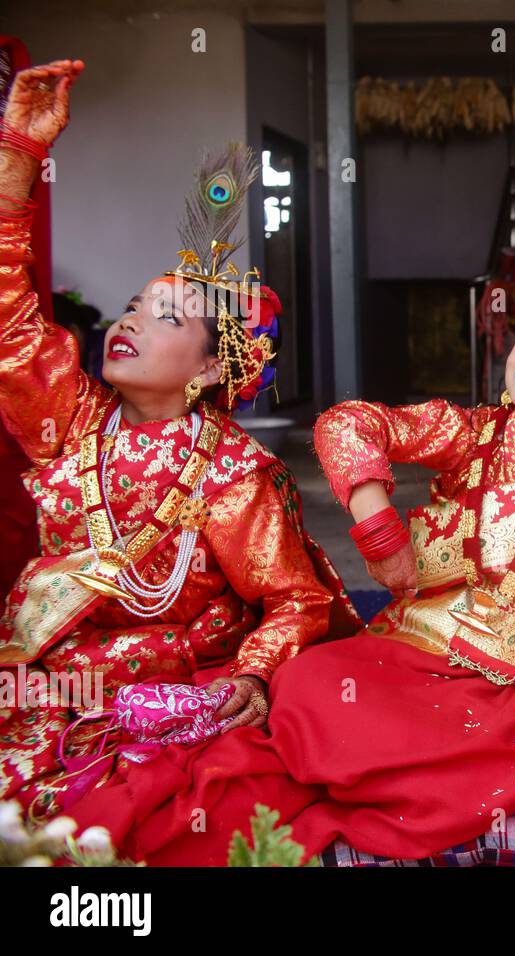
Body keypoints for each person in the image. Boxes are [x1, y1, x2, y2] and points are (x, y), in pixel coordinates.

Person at [71, 172, 515, 865]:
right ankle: (443, 786)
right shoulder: (466, 434)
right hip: (413, 658)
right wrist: (377, 523)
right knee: (310, 688)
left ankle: (418, 788)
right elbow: (347, 424)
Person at [0, 61, 357, 822]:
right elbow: (8, 322)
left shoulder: (231, 472)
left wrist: (254, 677)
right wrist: (18, 158)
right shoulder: (71, 417)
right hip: (41, 677)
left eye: (163, 317)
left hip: (162, 687)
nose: (127, 321)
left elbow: (295, 602)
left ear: (206, 370)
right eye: (131, 307)